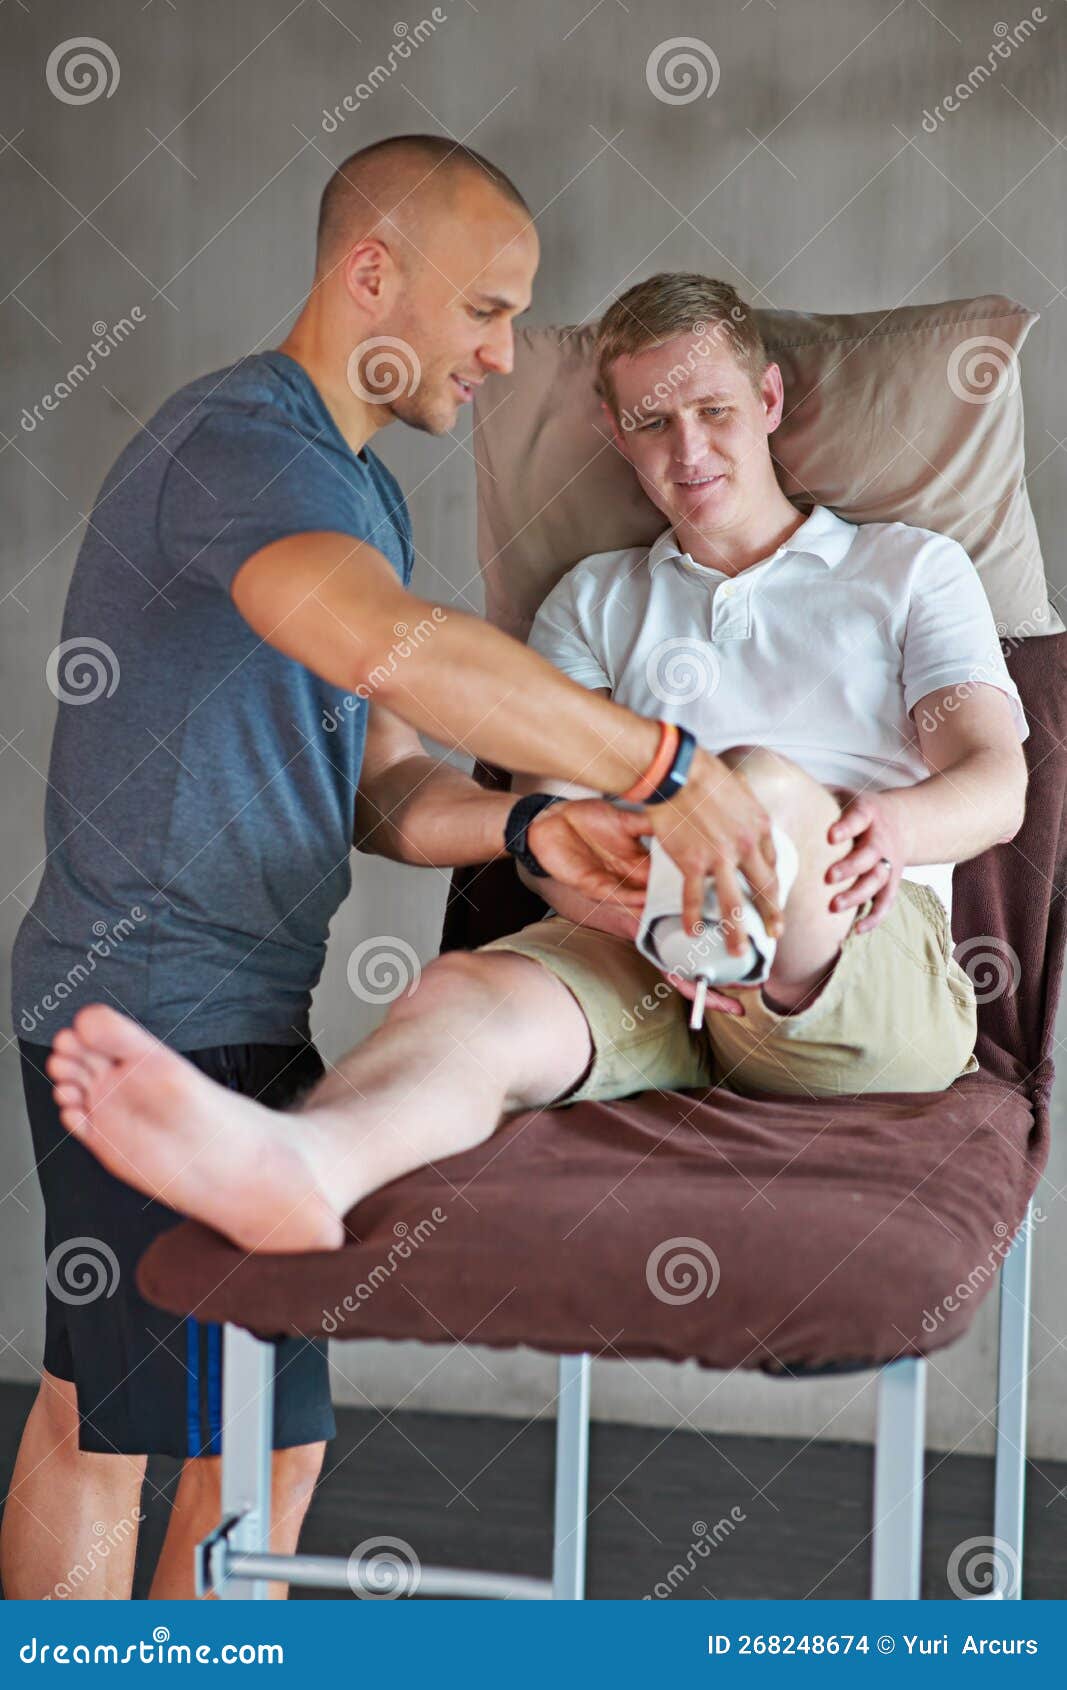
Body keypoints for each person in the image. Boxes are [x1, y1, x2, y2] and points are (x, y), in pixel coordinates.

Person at [6, 142, 781, 1604]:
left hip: (241, 1007)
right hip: (146, 1001)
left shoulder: (361, 496)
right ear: (372, 276)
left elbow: (385, 789)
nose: (502, 352)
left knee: (267, 1449)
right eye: (484, 309)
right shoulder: (239, 447)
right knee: (112, 1431)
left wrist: (528, 826)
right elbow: (383, 644)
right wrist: (662, 769)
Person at [43, 271, 1029, 1274]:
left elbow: (996, 779)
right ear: (612, 429)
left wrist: (892, 832)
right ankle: (306, 1161)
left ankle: (741, 892)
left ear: (767, 401)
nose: (686, 451)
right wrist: (619, 916)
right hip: (643, 937)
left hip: (845, 934)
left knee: (754, 786)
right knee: (462, 992)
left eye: (713, 411)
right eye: (651, 423)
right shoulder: (592, 600)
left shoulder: (907, 569)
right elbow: (545, 828)